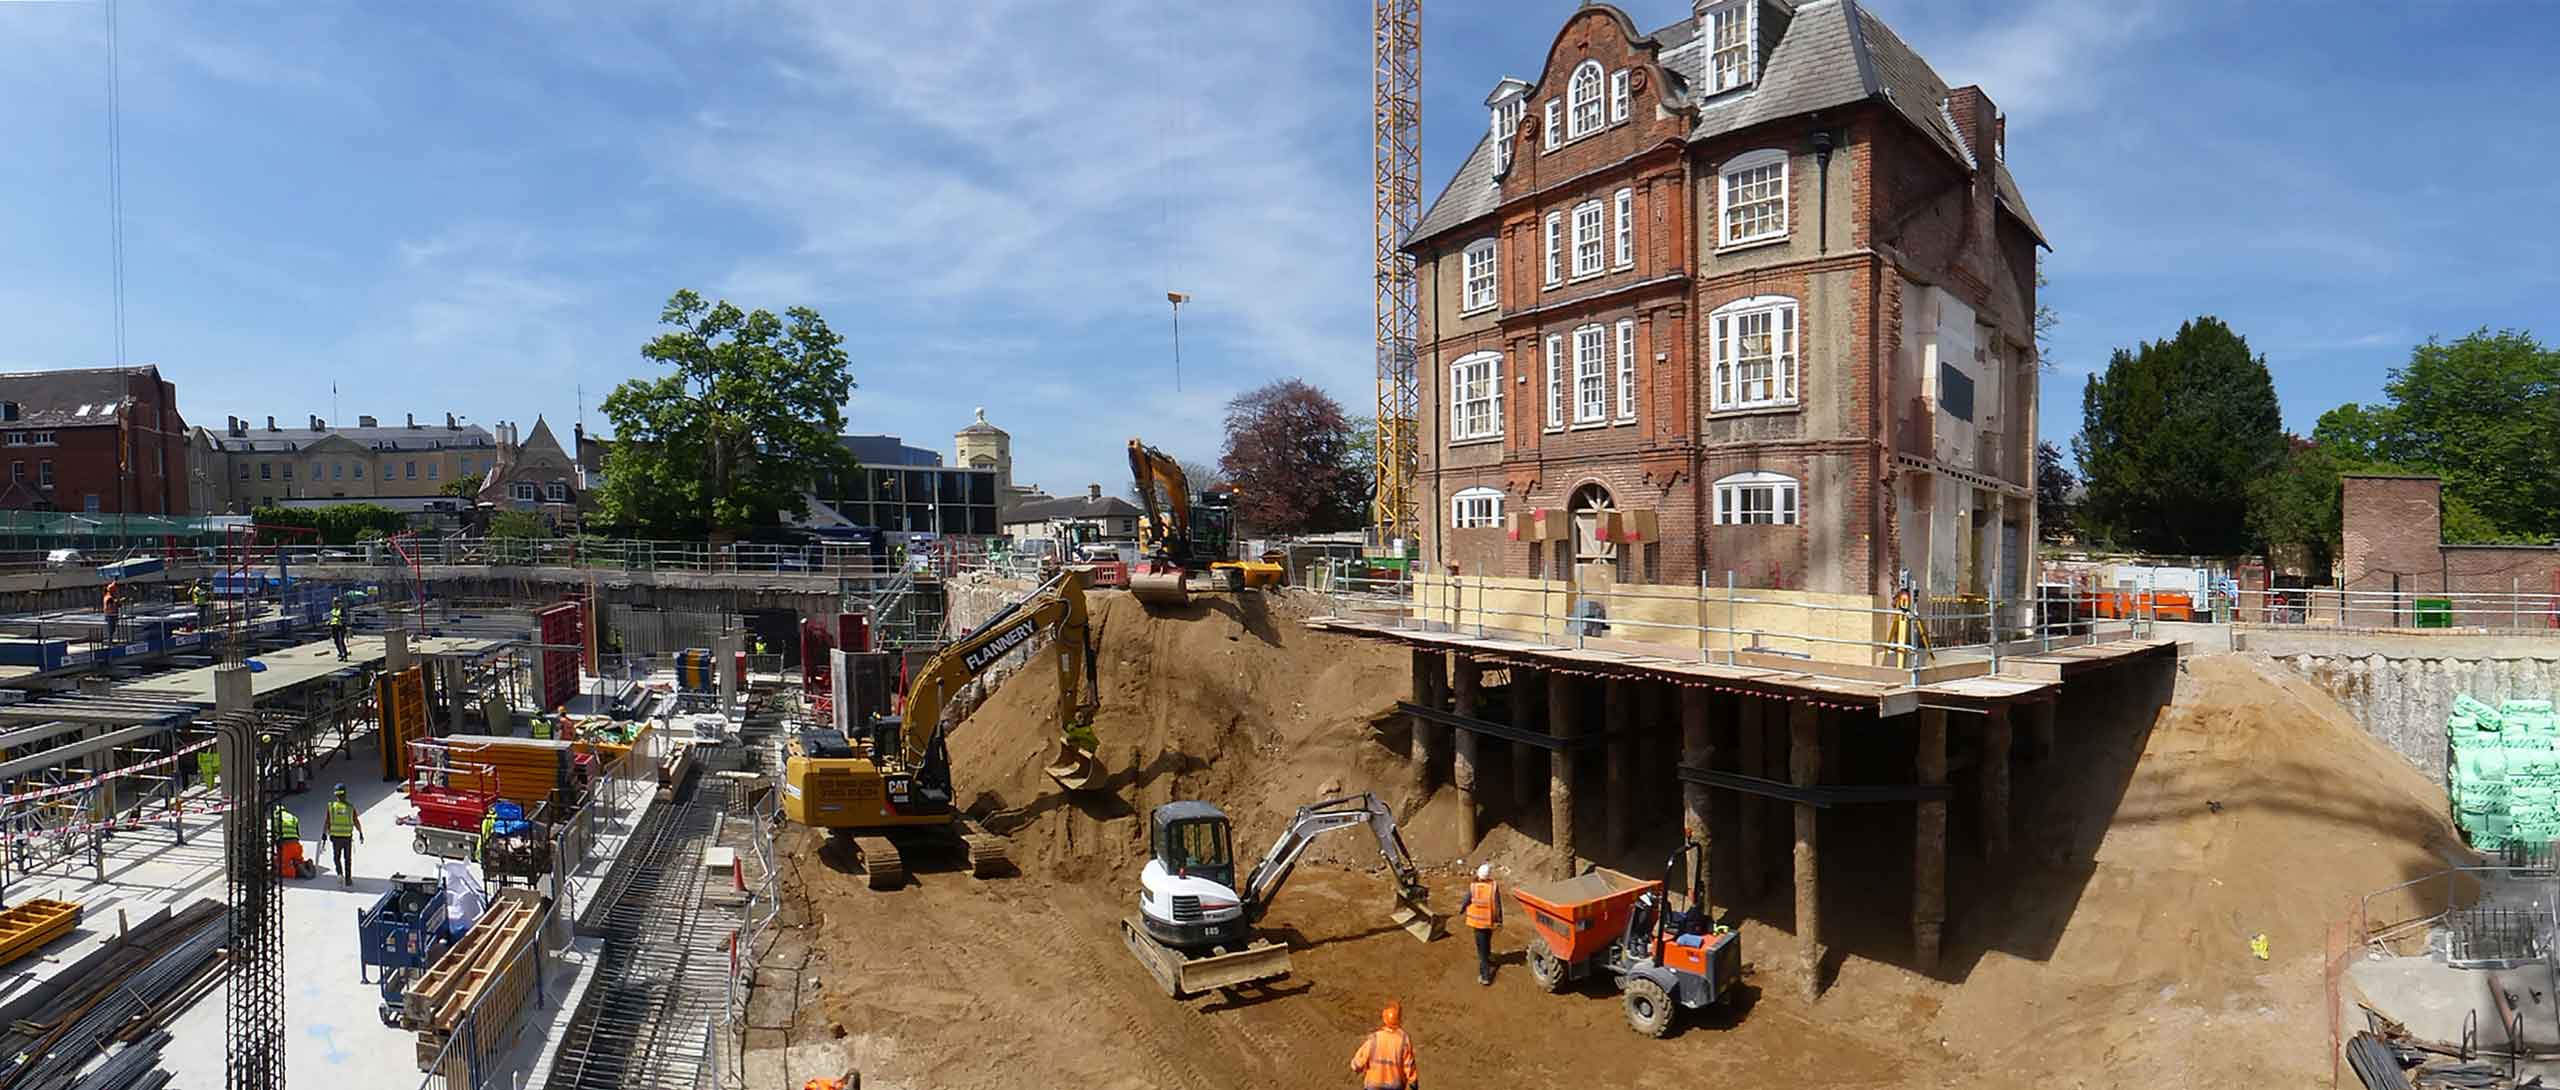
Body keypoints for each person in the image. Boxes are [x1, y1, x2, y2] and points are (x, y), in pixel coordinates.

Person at [1349, 1002, 1417, 1090]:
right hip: (1395, 1086)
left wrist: (1355, 1065)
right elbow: (1409, 1065)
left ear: (1384, 1018)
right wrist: (1413, 1082)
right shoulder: (1403, 1040)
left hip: (1373, 1085)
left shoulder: (1374, 1038)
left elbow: (1358, 1063)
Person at [1459, 862, 1503, 985]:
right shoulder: (1493, 887)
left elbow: (1466, 900)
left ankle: (1485, 976)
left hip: (1477, 923)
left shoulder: (1473, 886)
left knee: (1481, 951)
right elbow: (1498, 905)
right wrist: (1499, 920)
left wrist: (1462, 909)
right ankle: (1489, 957)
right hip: (1488, 921)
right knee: (1487, 941)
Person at [326, 783, 363, 888]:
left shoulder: (331, 807)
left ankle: (339, 873)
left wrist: (325, 834)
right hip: (347, 837)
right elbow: (356, 821)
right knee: (347, 859)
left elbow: (327, 821)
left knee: (336, 857)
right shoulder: (350, 808)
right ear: (345, 794)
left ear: (335, 794)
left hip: (335, 838)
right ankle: (348, 879)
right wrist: (360, 832)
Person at [273, 804, 308, 879]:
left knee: (284, 866)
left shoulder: (276, 818)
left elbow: (274, 832)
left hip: (285, 845)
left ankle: (295, 873)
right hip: (296, 844)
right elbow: (297, 833)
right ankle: (304, 865)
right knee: (298, 859)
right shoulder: (293, 817)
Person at [328, 597, 349, 661]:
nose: (335, 604)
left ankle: (345, 655)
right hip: (334, 627)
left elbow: (345, 618)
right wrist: (329, 622)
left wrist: (340, 618)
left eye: (337, 603)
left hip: (341, 627)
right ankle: (340, 653)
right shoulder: (332, 610)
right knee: (336, 641)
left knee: (341, 641)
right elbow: (331, 618)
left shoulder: (342, 610)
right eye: (334, 603)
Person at [100, 580, 120, 644]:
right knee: (111, 629)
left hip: (112, 614)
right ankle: (109, 640)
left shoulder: (108, 596)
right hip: (110, 615)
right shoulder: (109, 598)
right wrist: (117, 603)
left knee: (112, 629)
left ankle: (110, 640)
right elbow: (111, 606)